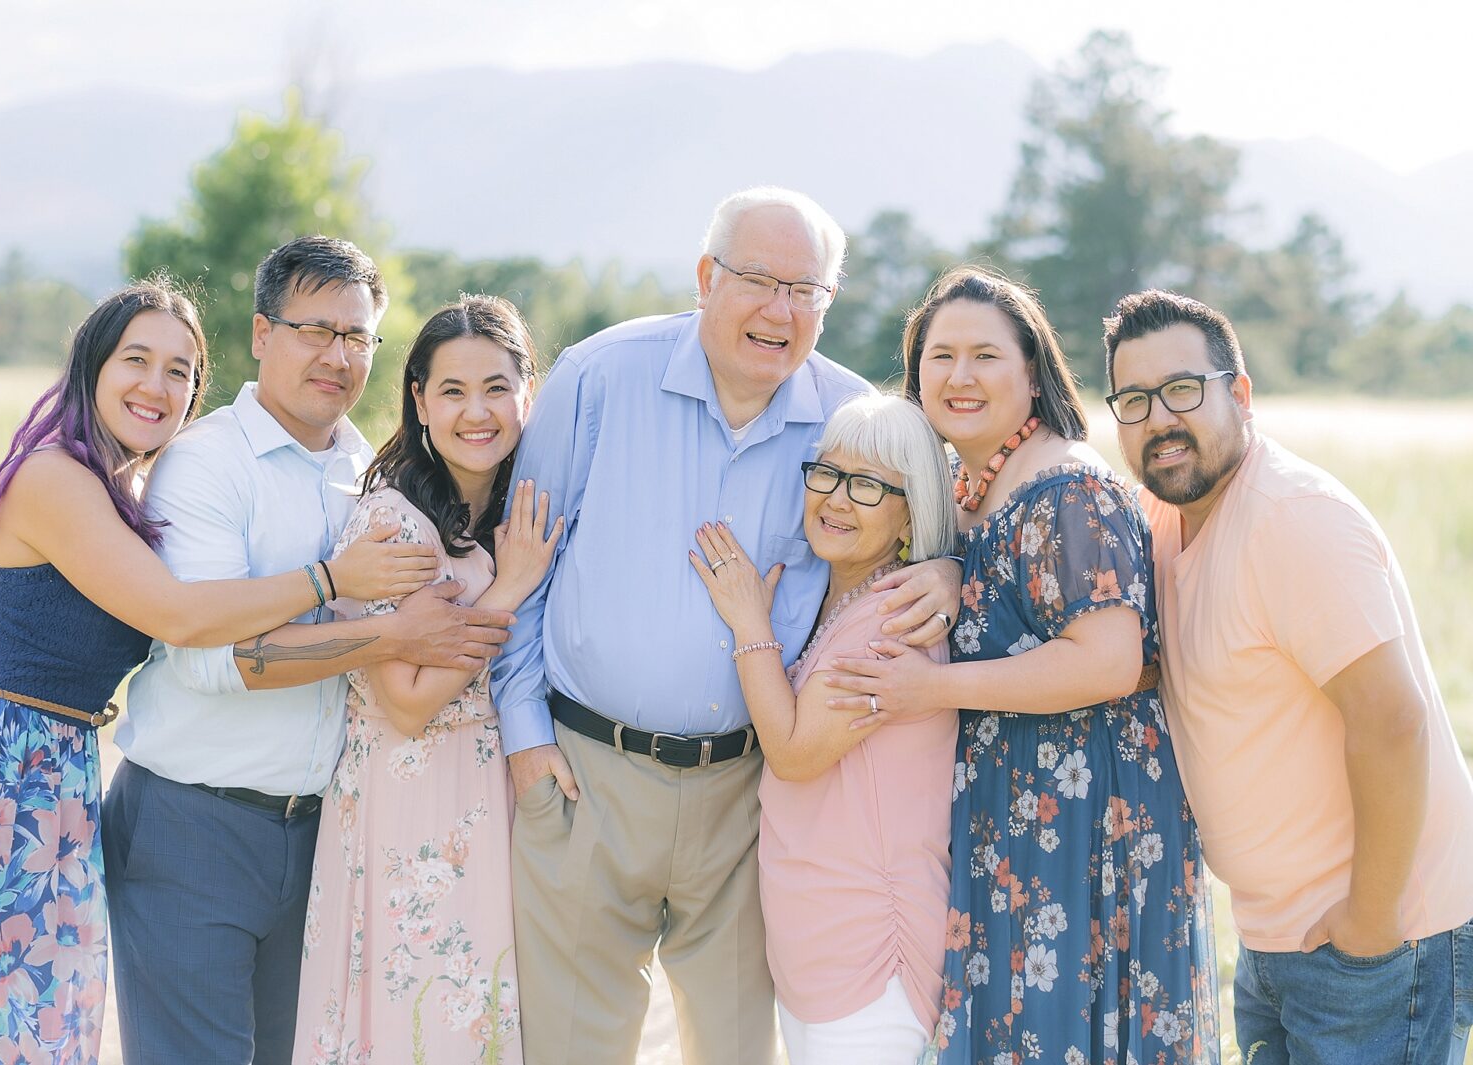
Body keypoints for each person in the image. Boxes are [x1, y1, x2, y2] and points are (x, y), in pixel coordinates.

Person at [0, 278, 439, 1062]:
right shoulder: (52, 478)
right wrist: (333, 579)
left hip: (54, 776)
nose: (157, 384)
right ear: (91, 367)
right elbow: (178, 614)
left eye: (180, 371)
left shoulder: (132, 486)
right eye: (136, 359)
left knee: (30, 1028)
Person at [491, 186, 960, 1065]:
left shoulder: (852, 417)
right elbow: (524, 568)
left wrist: (945, 564)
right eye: (757, 280)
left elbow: (931, 512)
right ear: (707, 277)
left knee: (739, 1050)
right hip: (588, 771)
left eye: (806, 291)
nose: (780, 311)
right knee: (570, 1049)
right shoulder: (597, 376)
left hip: (750, 796)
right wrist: (522, 734)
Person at [102, 238, 516, 1065]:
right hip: (195, 823)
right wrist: (388, 629)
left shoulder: (368, 470)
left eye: (357, 337)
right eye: (313, 329)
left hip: (325, 834)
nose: (337, 355)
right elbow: (217, 659)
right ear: (261, 333)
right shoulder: (206, 464)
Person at [825, 267, 1217, 1063]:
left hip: (1086, 824)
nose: (959, 376)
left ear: (1031, 371)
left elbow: (1107, 660)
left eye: (985, 356)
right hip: (1014, 819)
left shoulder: (1069, 485)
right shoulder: (973, 487)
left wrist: (930, 688)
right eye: (940, 357)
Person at [1103, 289, 1473, 1065]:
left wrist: (1368, 922)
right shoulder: (1167, 519)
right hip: (1278, 935)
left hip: (1376, 939)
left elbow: (1391, 719)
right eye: (1134, 400)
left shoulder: (1291, 517)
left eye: (1181, 390)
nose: (1158, 419)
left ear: (1239, 393)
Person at [293, 296, 559, 1064]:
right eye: (452, 390)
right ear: (418, 400)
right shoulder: (396, 523)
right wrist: (507, 590)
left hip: (493, 800)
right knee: (420, 1020)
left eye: (497, 387)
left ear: (527, 391)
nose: (477, 411)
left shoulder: (517, 509)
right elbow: (404, 701)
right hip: (408, 804)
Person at [689, 393, 958, 1065]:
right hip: (817, 948)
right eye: (828, 474)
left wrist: (749, 622)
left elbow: (794, 753)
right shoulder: (848, 599)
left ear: (910, 512)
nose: (836, 498)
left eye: (867, 485)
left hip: (870, 950)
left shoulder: (891, 620)